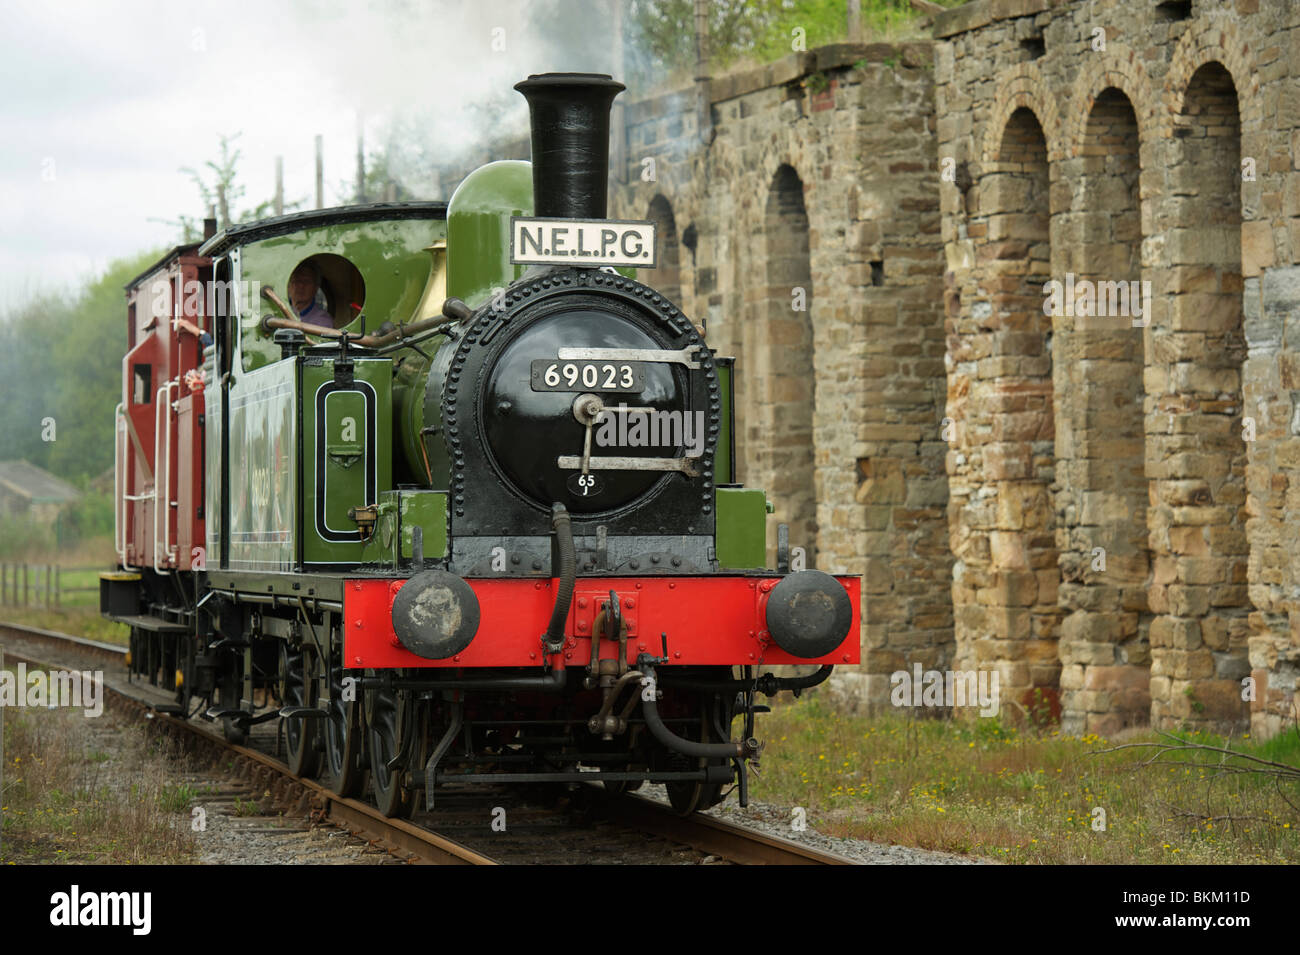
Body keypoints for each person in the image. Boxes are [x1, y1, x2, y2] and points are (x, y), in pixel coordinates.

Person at [288, 261, 334, 328]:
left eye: (307, 281)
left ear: (316, 288)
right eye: (297, 280)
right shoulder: (278, 312)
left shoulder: (322, 321)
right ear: (289, 286)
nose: (301, 285)